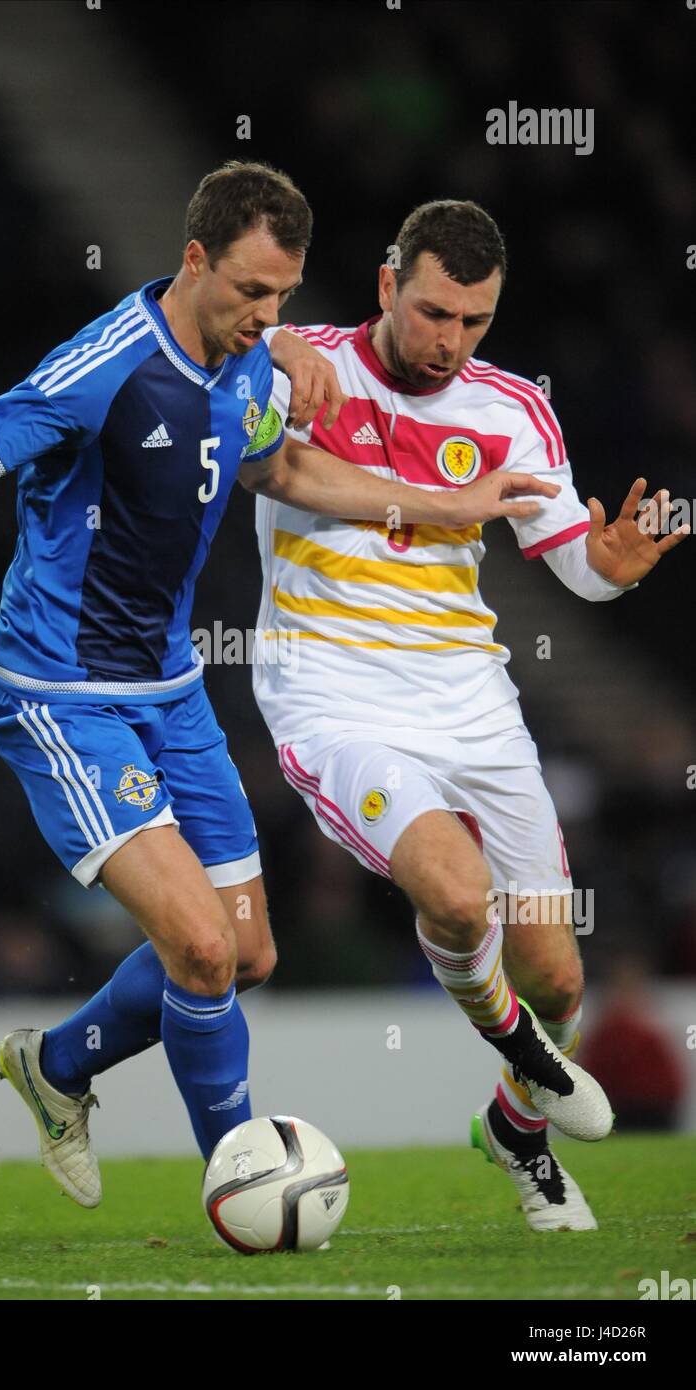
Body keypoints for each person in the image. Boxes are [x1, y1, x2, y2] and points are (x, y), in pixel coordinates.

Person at [0, 167, 559, 1209]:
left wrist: (449, 505)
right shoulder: (106, 368)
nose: (268, 319)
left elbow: (292, 475)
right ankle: (246, 1178)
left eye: (284, 299)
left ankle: (57, 1067)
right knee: (202, 945)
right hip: (62, 696)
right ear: (192, 261)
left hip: (170, 694)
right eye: (251, 293)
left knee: (246, 952)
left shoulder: (253, 367)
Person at [252, 198, 688, 1231]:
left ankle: (513, 1126)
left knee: (556, 972)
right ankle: (527, 1058)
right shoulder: (298, 364)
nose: (449, 341)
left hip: (472, 703)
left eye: (473, 323)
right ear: (386, 285)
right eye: (434, 312)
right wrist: (267, 335)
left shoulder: (509, 412)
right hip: (334, 694)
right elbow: (215, 346)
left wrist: (612, 569)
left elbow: (573, 561)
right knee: (452, 897)